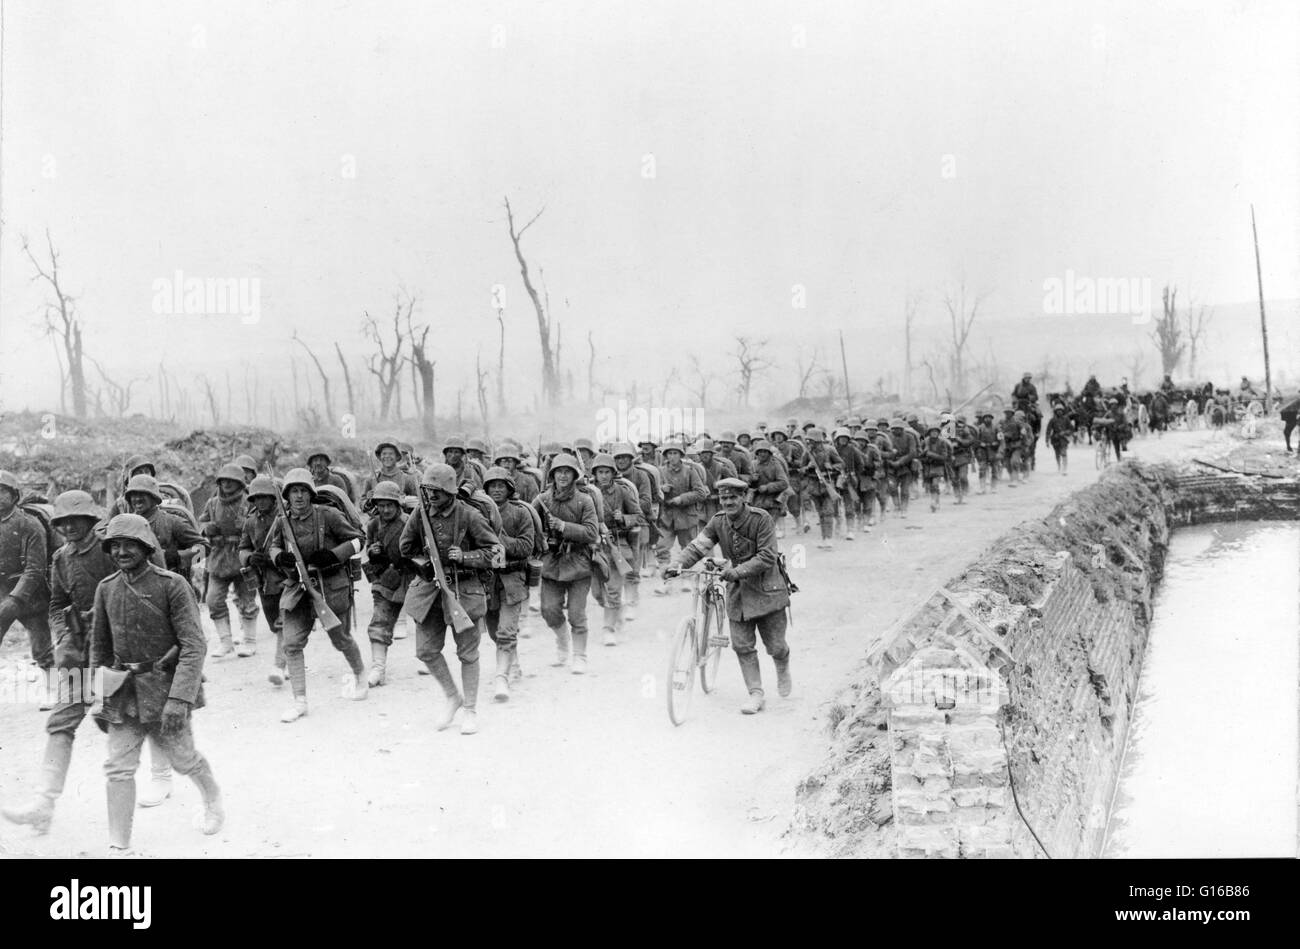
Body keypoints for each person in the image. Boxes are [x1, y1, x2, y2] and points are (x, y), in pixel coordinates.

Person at [1, 492, 171, 833]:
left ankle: (162, 776)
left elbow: (148, 585)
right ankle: (43, 803)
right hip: (80, 649)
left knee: (144, 712)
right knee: (61, 721)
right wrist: (63, 635)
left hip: (123, 648)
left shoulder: (114, 549)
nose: (69, 528)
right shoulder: (61, 558)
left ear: (92, 521)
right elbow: (56, 604)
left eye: (76, 521)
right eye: (62, 523)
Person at [89, 514, 223, 854]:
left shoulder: (172, 585)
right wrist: (100, 696)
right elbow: (100, 649)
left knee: (183, 760)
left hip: (165, 689)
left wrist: (180, 699)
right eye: (115, 545)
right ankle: (119, 844)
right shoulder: (106, 589)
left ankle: (212, 801)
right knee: (118, 768)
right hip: (123, 692)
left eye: (129, 544)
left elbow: (194, 645)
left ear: (146, 547)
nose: (121, 552)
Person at [665, 478, 791, 715]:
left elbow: (767, 556)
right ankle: (756, 693)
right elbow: (698, 546)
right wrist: (678, 564)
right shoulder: (718, 521)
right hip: (739, 593)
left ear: (744, 497)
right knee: (742, 645)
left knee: (775, 646)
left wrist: (737, 571)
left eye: (733, 497)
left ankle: (782, 664)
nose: (728, 502)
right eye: (724, 498)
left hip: (768, 590)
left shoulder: (760, 519)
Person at [399, 464, 502, 733]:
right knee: (426, 650)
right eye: (428, 490)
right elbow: (405, 547)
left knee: (467, 654)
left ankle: (470, 710)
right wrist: (424, 563)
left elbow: (495, 551)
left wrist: (466, 557)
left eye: (437, 491)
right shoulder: (421, 514)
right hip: (430, 590)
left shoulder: (470, 515)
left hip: (465, 589)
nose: (432, 495)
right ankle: (452, 696)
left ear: (450, 492)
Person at [268, 468, 367, 723]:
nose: (299, 497)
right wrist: (279, 556)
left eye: (303, 491)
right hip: (297, 589)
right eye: (293, 492)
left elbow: (359, 540)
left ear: (311, 493)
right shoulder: (282, 521)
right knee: (291, 644)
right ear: (287, 496)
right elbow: (273, 545)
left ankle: (360, 676)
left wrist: (334, 555)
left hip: (329, 587)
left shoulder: (329, 515)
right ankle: (299, 701)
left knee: (341, 639)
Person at [532, 454, 600, 671]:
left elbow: (592, 533)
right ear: (552, 475)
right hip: (551, 562)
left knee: (576, 614)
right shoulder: (542, 500)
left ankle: (579, 655)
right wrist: (540, 537)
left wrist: (563, 526)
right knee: (549, 609)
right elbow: (530, 526)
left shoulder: (585, 500)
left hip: (578, 562)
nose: (562, 476)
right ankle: (562, 642)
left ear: (574, 475)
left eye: (567, 472)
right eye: (558, 471)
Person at [482, 467, 536, 699]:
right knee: (494, 631)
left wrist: (501, 539)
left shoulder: (520, 513)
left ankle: (501, 678)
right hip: (487, 581)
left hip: (513, 579)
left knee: (506, 631)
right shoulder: (478, 512)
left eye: (501, 485)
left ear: (509, 489)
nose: (496, 489)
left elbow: (526, 547)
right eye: (492, 485)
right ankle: (512, 663)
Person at [199, 463, 261, 658]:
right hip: (218, 558)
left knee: (247, 600)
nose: (226, 484)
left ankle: (249, 641)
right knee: (213, 600)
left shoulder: (249, 503)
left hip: (243, 558)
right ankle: (226, 642)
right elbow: (201, 523)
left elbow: (261, 527)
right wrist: (207, 528)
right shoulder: (212, 503)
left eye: (231, 481)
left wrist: (247, 528)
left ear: (240, 483)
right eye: (223, 480)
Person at [0, 470, 53, 694]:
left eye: (2, 491)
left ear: (14, 496)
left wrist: (16, 599)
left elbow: (35, 569)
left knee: (41, 647)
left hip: (31, 595)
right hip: (2, 594)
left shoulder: (30, 525)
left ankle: (54, 689)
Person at [237, 475, 288, 687]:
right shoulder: (250, 521)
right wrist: (249, 557)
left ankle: (280, 664)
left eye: (265, 497)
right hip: (265, 580)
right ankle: (288, 658)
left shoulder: (285, 517)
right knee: (275, 624)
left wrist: (279, 556)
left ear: (273, 497)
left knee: (286, 622)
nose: (260, 502)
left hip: (287, 576)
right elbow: (243, 547)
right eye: (256, 498)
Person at [589, 453, 642, 647]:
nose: (603, 476)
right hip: (593, 546)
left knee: (613, 590)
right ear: (594, 473)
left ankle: (608, 629)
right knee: (597, 592)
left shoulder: (622, 491)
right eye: (600, 472)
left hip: (616, 544)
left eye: (607, 472)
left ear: (613, 473)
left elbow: (638, 517)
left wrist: (623, 518)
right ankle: (615, 614)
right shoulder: (587, 492)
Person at [363, 482, 411, 687]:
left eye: (389, 505)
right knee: (379, 622)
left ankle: (429, 658)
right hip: (386, 579)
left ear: (398, 504)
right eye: (381, 505)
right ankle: (378, 668)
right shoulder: (373, 525)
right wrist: (373, 552)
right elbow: (369, 548)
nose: (385, 509)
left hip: (412, 577)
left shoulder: (410, 522)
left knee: (427, 621)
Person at [654, 441, 706, 585]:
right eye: (669, 453)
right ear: (665, 456)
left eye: (675, 453)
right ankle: (665, 580)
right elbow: (653, 495)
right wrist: (661, 490)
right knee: (662, 548)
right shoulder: (660, 472)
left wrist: (681, 499)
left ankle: (687, 580)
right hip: (667, 517)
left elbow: (701, 493)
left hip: (686, 517)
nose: (672, 457)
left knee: (688, 550)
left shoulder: (690, 471)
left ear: (681, 455)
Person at [800, 428, 843, 549]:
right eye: (809, 441)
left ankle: (829, 539)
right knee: (821, 514)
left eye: (812, 440)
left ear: (818, 441)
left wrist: (831, 467)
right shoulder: (807, 453)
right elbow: (801, 470)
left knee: (828, 512)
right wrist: (808, 467)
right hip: (813, 486)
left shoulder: (830, 450)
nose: (810, 443)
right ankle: (824, 538)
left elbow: (841, 464)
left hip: (827, 484)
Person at [360, 439, 420, 512]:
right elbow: (362, 504)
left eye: (391, 454)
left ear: (397, 457)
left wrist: (405, 501)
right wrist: (369, 501)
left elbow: (418, 503)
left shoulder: (407, 479)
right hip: (377, 519)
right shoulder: (372, 478)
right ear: (380, 457)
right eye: (384, 454)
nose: (387, 456)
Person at [887, 419, 919, 516]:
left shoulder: (910, 437)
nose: (896, 431)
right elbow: (882, 452)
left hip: (906, 467)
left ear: (902, 429)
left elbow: (912, 452)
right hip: (891, 467)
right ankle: (896, 506)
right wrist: (891, 461)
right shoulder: (888, 438)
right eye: (894, 429)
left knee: (905, 489)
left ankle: (904, 508)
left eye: (898, 428)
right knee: (892, 487)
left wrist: (900, 462)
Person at [920, 425, 952, 513]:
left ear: (938, 433)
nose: (934, 433)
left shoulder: (942, 442)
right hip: (927, 466)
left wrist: (931, 454)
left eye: (936, 431)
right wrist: (924, 454)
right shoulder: (925, 441)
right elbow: (919, 454)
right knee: (931, 485)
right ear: (929, 433)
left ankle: (934, 502)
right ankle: (936, 501)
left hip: (938, 466)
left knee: (935, 483)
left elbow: (944, 457)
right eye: (932, 431)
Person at [949, 416, 975, 503]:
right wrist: (951, 444)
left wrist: (960, 440)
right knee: (954, 478)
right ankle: (957, 494)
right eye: (958, 422)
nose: (959, 424)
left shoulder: (966, 431)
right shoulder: (949, 429)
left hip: (962, 455)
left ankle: (965, 491)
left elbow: (970, 441)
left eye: (961, 422)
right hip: (952, 456)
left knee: (963, 476)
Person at [1045, 404, 1073, 474]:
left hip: (1064, 439)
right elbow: (1048, 430)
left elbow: (1071, 429)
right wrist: (1047, 440)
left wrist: (1065, 432)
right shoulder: (1052, 420)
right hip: (1055, 439)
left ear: (1063, 411)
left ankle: (1064, 468)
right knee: (1057, 454)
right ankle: (1059, 466)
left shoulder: (1066, 419)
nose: (1059, 412)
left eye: (1061, 410)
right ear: (1055, 411)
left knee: (1064, 453)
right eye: (1058, 410)